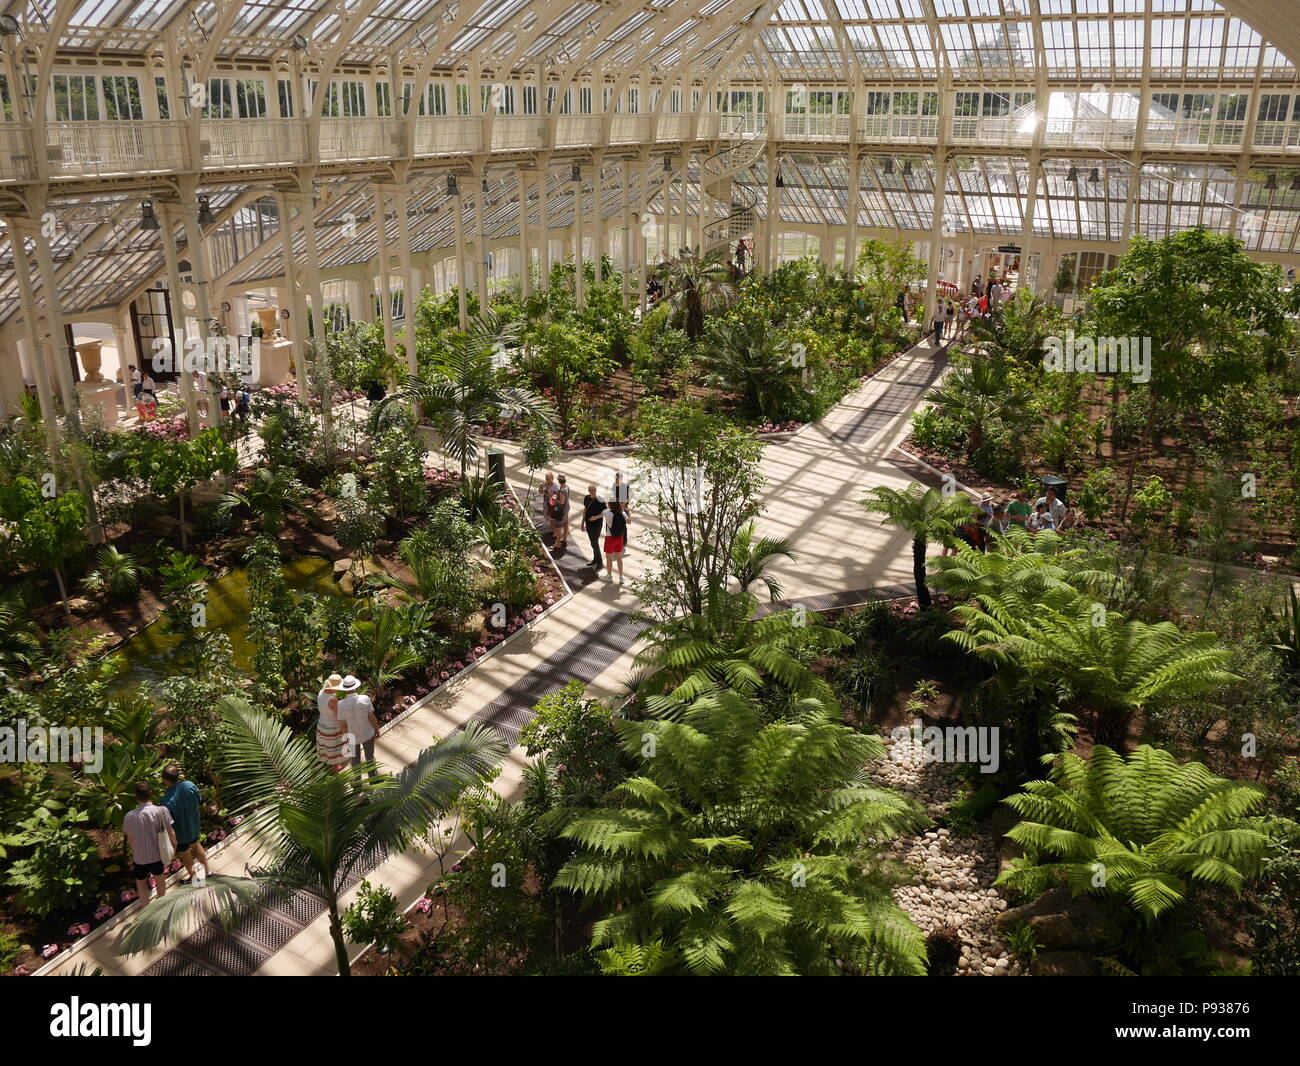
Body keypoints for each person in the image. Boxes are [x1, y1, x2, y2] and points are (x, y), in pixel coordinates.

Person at [122, 781, 177, 909]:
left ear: (135, 796)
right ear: (151, 793)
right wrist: (174, 846)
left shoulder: (129, 816)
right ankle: (161, 905)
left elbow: (130, 839)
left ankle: (146, 909)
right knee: (160, 880)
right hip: (157, 856)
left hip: (139, 858)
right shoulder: (161, 811)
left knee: (141, 883)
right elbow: (171, 833)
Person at [161, 764, 208, 883]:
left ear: (165, 780)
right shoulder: (189, 785)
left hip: (181, 834)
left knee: (185, 854)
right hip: (194, 825)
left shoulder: (165, 801)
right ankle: (207, 872)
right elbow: (199, 799)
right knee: (196, 846)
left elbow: (168, 823)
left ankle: (194, 878)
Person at [336, 675, 381, 780]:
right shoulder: (365, 699)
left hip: (352, 737)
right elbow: (372, 718)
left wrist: (345, 737)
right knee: (370, 757)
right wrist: (377, 729)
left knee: (355, 760)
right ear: (355, 687)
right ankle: (373, 780)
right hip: (367, 733)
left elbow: (342, 725)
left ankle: (357, 784)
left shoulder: (340, 704)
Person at [316, 673, 349, 773]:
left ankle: (333, 768)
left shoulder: (321, 692)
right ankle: (334, 773)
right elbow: (339, 716)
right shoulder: (333, 700)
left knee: (328, 750)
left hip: (322, 725)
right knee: (334, 750)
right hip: (332, 728)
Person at [602, 500, 628, 583]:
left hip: (610, 538)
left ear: (610, 505)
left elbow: (601, 514)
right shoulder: (623, 513)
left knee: (609, 558)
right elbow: (629, 522)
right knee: (619, 558)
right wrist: (625, 509)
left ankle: (609, 576)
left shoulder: (607, 513)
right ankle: (621, 577)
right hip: (620, 538)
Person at [582, 484, 606, 569]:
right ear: (589, 491)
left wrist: (595, 517)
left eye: (594, 490)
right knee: (592, 542)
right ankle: (595, 560)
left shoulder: (600, 500)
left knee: (595, 542)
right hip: (588, 524)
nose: (593, 492)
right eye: (591, 490)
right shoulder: (586, 498)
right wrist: (582, 522)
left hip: (597, 525)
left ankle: (600, 563)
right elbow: (585, 509)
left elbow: (605, 513)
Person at [555, 474, 571, 547]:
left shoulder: (562, 490)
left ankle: (558, 543)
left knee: (557, 526)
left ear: (559, 480)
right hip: (567, 507)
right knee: (566, 523)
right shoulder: (567, 487)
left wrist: (555, 499)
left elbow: (561, 502)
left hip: (561, 510)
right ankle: (564, 538)